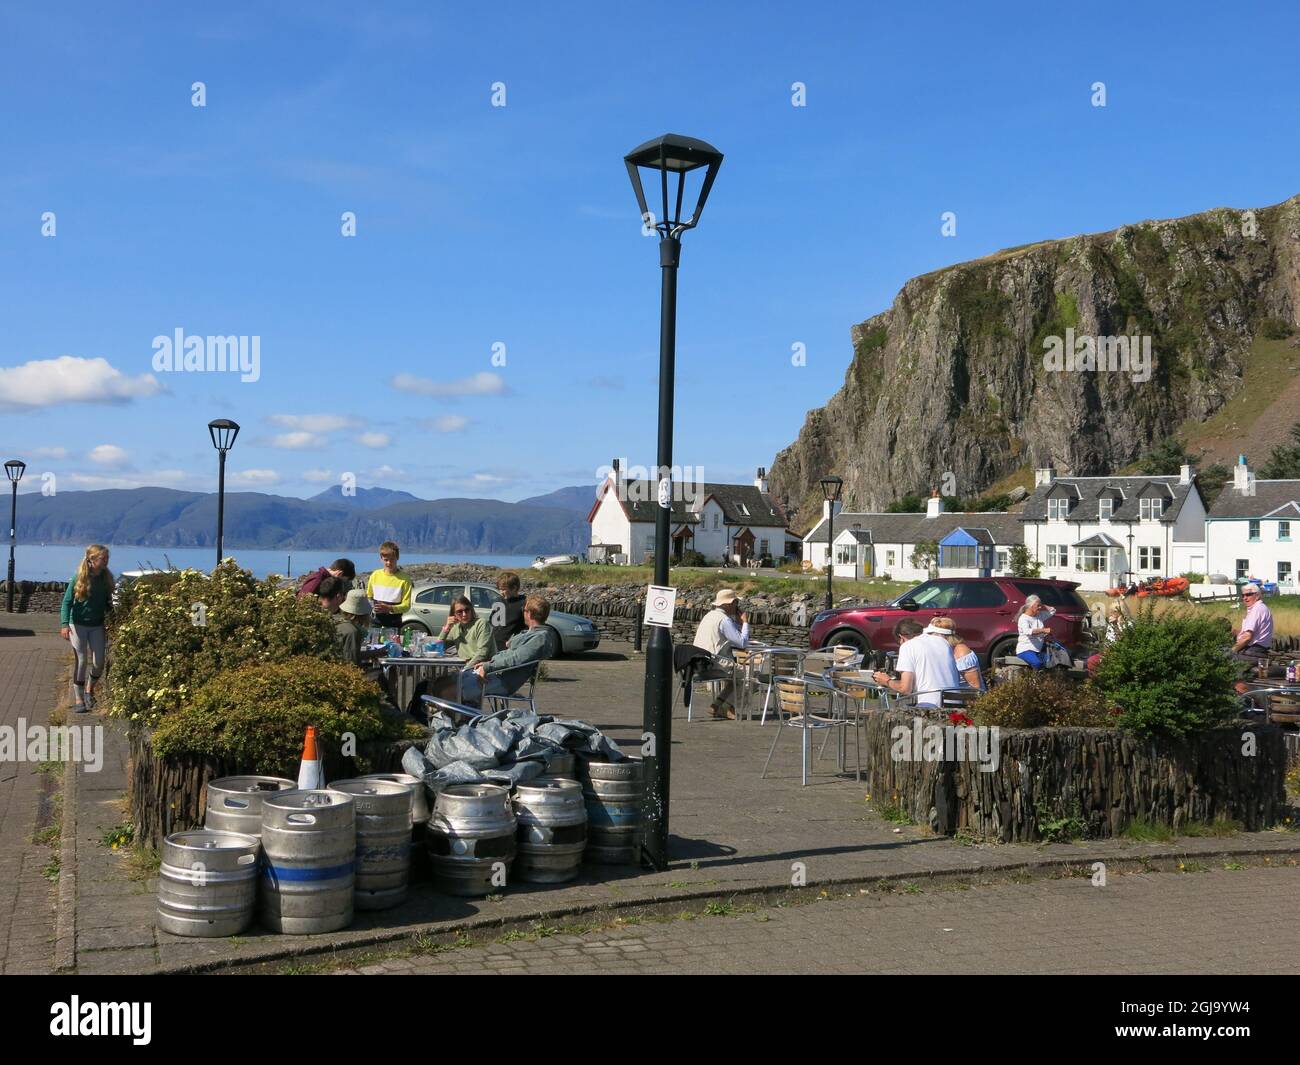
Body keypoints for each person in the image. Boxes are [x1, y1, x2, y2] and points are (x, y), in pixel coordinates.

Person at [439, 595, 555, 706]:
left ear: (529, 613)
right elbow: (511, 653)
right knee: (441, 683)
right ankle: (457, 718)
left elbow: (515, 659)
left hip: (503, 681)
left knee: (448, 691)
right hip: (495, 673)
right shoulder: (531, 633)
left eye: (523, 610)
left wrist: (487, 666)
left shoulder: (540, 637)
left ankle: (458, 722)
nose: (522, 613)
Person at [60, 544, 115, 713]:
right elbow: (67, 602)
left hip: (96, 625)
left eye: (107, 558)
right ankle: (78, 699)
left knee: (99, 663)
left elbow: (108, 604)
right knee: (82, 661)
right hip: (77, 625)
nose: (106, 561)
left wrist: (111, 619)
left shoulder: (106, 579)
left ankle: (89, 689)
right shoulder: (79, 577)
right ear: (92, 560)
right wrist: (64, 625)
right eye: (102, 558)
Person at [873, 618, 960, 708]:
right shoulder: (943, 642)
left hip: (931, 706)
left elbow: (905, 689)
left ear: (901, 637)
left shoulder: (907, 646)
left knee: (901, 714)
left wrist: (886, 680)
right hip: (957, 704)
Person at [691, 588, 750, 719]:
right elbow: (742, 643)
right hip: (714, 663)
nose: (737, 606)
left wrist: (736, 622)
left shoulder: (709, 616)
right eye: (736, 603)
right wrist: (745, 622)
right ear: (730, 604)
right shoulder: (724, 620)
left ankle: (717, 705)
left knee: (735, 678)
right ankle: (728, 707)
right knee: (750, 676)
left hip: (699, 663)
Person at [435, 596, 496, 666]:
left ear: (471, 610)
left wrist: (466, 669)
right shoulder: (456, 627)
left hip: (485, 668)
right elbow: (438, 648)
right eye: (459, 612)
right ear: (454, 614)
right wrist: (447, 627)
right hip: (468, 667)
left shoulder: (481, 623)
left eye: (467, 610)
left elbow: (483, 653)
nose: (464, 614)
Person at [365, 541, 412, 630]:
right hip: (375, 622)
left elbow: (406, 605)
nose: (389, 563)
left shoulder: (405, 579)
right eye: (386, 560)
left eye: (392, 559)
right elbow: (369, 597)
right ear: (381, 558)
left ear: (397, 557)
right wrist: (373, 606)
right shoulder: (375, 575)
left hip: (394, 623)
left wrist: (390, 608)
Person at [929, 615, 984, 691]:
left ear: (943, 636)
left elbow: (975, 686)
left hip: (964, 698)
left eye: (931, 635)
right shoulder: (938, 650)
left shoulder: (961, 652)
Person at [1232, 584, 1273, 663]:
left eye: (1248, 595)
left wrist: (1232, 651)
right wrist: (1236, 632)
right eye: (1243, 595)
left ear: (1257, 596)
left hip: (1254, 650)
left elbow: (1247, 638)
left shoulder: (1256, 609)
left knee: (1222, 656)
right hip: (1258, 649)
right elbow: (1254, 633)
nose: (1245, 598)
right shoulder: (1261, 608)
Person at [1015, 595, 1056, 670]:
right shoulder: (1023, 618)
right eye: (1038, 606)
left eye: (1040, 606)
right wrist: (1043, 630)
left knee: (1052, 660)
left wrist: (1042, 605)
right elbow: (1028, 631)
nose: (1040, 608)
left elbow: (1053, 611)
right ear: (1031, 606)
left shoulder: (1039, 615)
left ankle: (1047, 679)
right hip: (1025, 650)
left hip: (1038, 650)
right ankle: (1034, 680)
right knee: (1037, 663)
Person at [335, 589, 375, 667]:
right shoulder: (352, 632)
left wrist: (376, 652)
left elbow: (352, 654)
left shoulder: (337, 620)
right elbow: (351, 661)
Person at [1087, 604, 1129, 676]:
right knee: (1091, 660)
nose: (1112, 614)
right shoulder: (1112, 623)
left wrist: (1116, 625)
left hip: (1119, 653)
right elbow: (1108, 640)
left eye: (1114, 611)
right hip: (1108, 652)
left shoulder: (1128, 624)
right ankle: (1096, 682)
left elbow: (1123, 640)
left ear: (1122, 612)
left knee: (1095, 662)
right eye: (1111, 611)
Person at [491, 571, 527, 648]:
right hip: (494, 645)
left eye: (503, 589)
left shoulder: (524, 603)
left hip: (511, 648)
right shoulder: (498, 601)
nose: (501, 592)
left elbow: (528, 628)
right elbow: (492, 622)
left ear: (514, 588)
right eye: (499, 589)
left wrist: (515, 641)